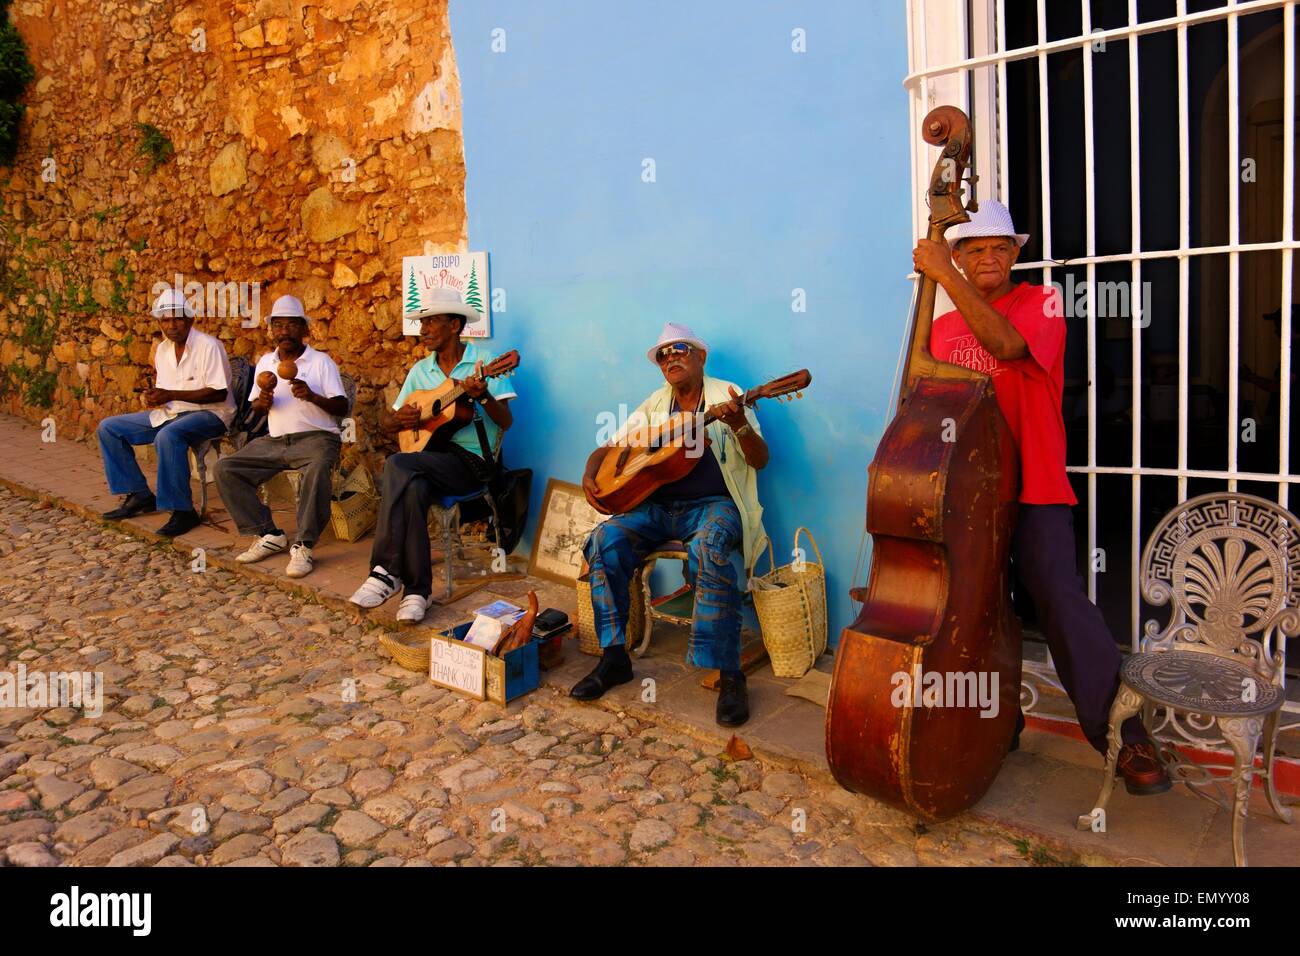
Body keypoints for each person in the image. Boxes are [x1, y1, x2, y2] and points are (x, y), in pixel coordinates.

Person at [913, 199, 1171, 795]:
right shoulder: (942, 328)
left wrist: (943, 274)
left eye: (998, 248)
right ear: (957, 253)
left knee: (1060, 599)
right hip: (965, 495)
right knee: (969, 611)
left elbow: (1004, 346)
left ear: (1015, 255)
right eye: (972, 249)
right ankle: (993, 722)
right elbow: (919, 403)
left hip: (1034, 486)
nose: (987, 258)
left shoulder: (1043, 303)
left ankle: (1123, 737)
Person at [573, 323, 768, 727]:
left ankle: (730, 675)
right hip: (657, 509)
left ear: (700, 356)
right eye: (662, 354)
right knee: (604, 539)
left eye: (679, 349)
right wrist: (591, 475)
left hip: (713, 505)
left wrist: (739, 425)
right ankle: (614, 659)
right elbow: (610, 448)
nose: (669, 358)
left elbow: (760, 459)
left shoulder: (729, 395)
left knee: (709, 548)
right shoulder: (656, 403)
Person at [348, 289, 516, 624]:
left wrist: (482, 397)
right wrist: (402, 419)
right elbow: (387, 422)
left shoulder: (485, 362)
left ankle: (385, 569)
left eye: (430, 322)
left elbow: (506, 422)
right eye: (421, 322)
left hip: (472, 464)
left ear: (454, 325)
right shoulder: (420, 371)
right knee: (413, 488)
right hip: (428, 461)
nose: (422, 329)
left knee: (398, 464)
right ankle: (416, 592)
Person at [213, 295, 348, 578]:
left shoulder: (321, 362)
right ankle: (268, 533)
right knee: (226, 468)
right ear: (272, 330)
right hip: (277, 441)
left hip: (317, 439)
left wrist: (311, 395)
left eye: (291, 325)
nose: (284, 331)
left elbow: (342, 407)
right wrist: (264, 400)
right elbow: (256, 408)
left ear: (304, 329)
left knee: (318, 468)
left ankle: (304, 544)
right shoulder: (265, 362)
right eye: (278, 325)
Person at [97, 288, 234, 537]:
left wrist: (170, 395)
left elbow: (218, 394)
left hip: (211, 415)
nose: (172, 325)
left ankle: (182, 511)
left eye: (177, 318)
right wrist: (157, 396)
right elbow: (168, 391)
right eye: (166, 319)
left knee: (168, 436)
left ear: (190, 319)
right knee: (109, 427)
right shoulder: (162, 350)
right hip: (172, 413)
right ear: (160, 322)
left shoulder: (209, 346)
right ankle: (139, 494)